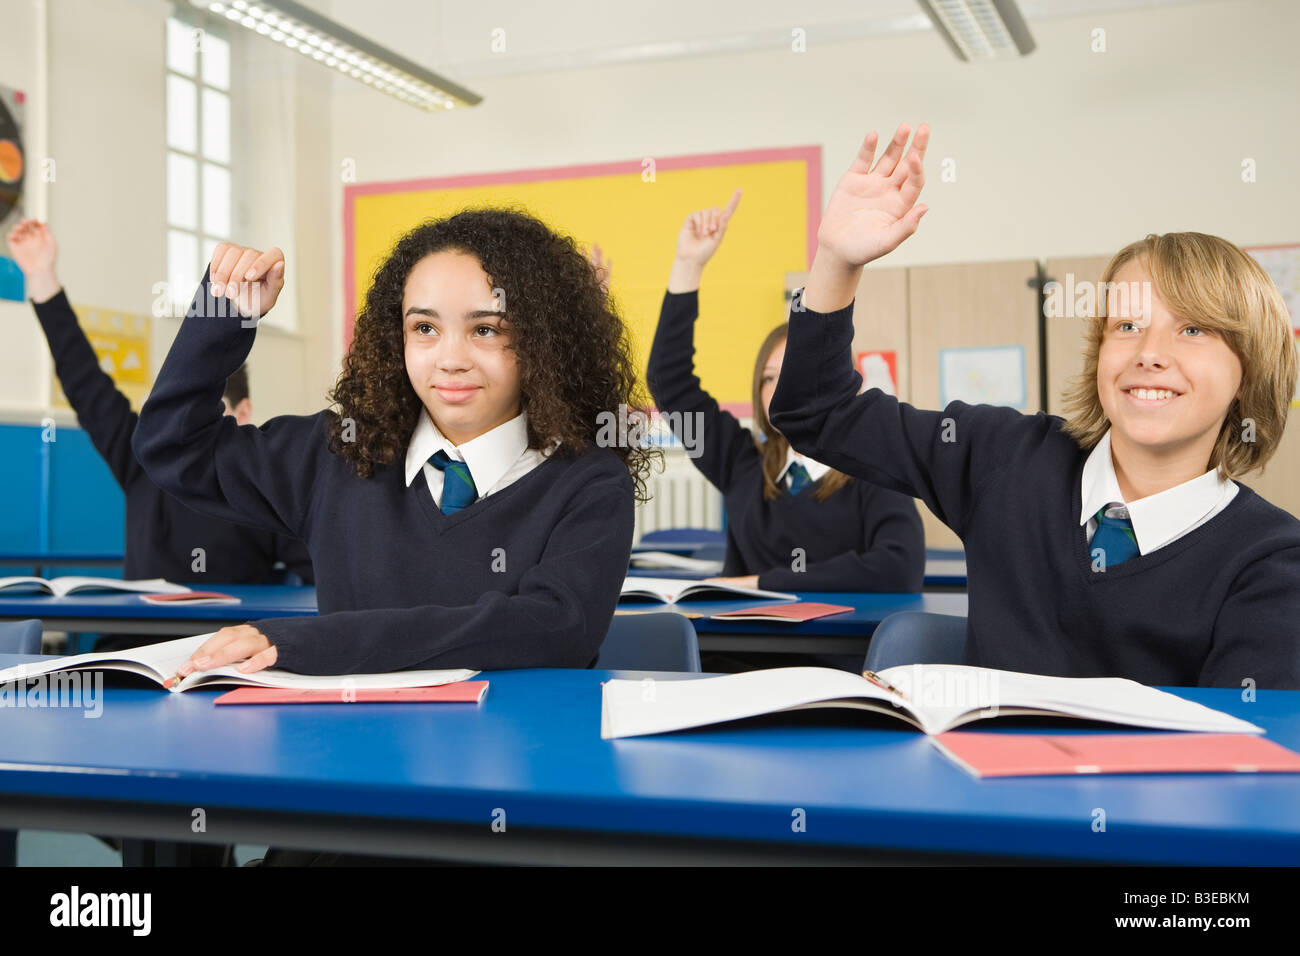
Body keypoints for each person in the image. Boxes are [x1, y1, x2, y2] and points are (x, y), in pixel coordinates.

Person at [770, 122, 1300, 689]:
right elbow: (817, 412)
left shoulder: (1272, 564)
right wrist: (835, 261)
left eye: (1192, 329)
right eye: (1127, 324)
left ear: (1249, 370)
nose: (1150, 353)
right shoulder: (1002, 456)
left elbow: (1244, 764)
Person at [132, 208, 652, 682]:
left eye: (487, 330)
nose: (451, 359)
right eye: (424, 327)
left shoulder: (589, 480)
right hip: (356, 754)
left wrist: (312, 642)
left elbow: (553, 629)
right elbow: (172, 445)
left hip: (520, 764)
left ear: (543, 341)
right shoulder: (338, 454)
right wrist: (224, 318)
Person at [5, 219, 314, 654]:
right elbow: (84, 379)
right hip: (136, 648)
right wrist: (40, 276)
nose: (181, 431)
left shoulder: (264, 483)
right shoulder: (145, 453)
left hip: (224, 655)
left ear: (243, 414)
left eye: (209, 413)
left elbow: (328, 567)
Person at [646, 190, 924, 598]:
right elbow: (669, 380)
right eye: (769, 378)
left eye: (795, 376)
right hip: (738, 654)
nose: (781, 391)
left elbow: (899, 567)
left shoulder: (873, 471)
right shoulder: (741, 463)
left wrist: (763, 583)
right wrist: (689, 265)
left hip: (840, 658)